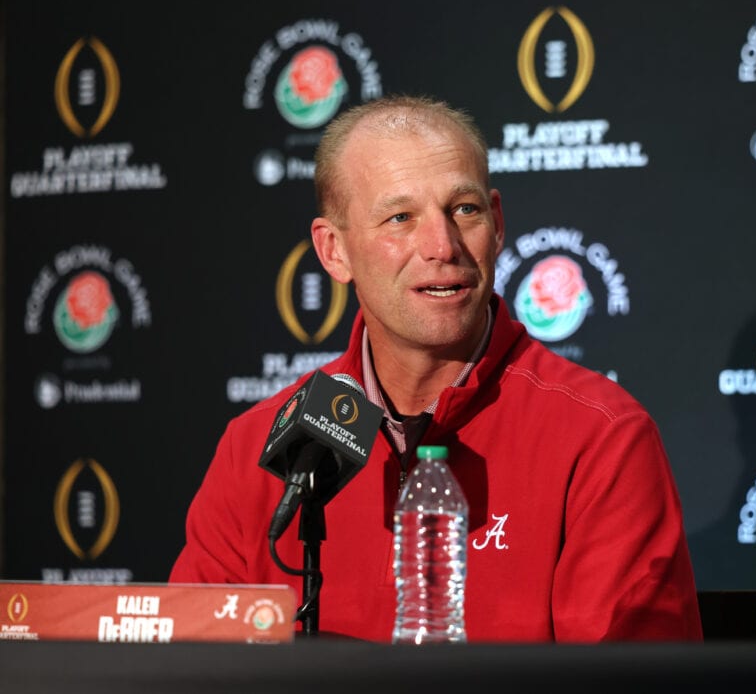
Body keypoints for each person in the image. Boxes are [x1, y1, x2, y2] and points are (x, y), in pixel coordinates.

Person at [169, 94, 703, 642]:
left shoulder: (601, 439)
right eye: (400, 217)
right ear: (335, 252)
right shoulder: (253, 448)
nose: (442, 245)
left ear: (497, 225)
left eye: (464, 210)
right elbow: (183, 671)